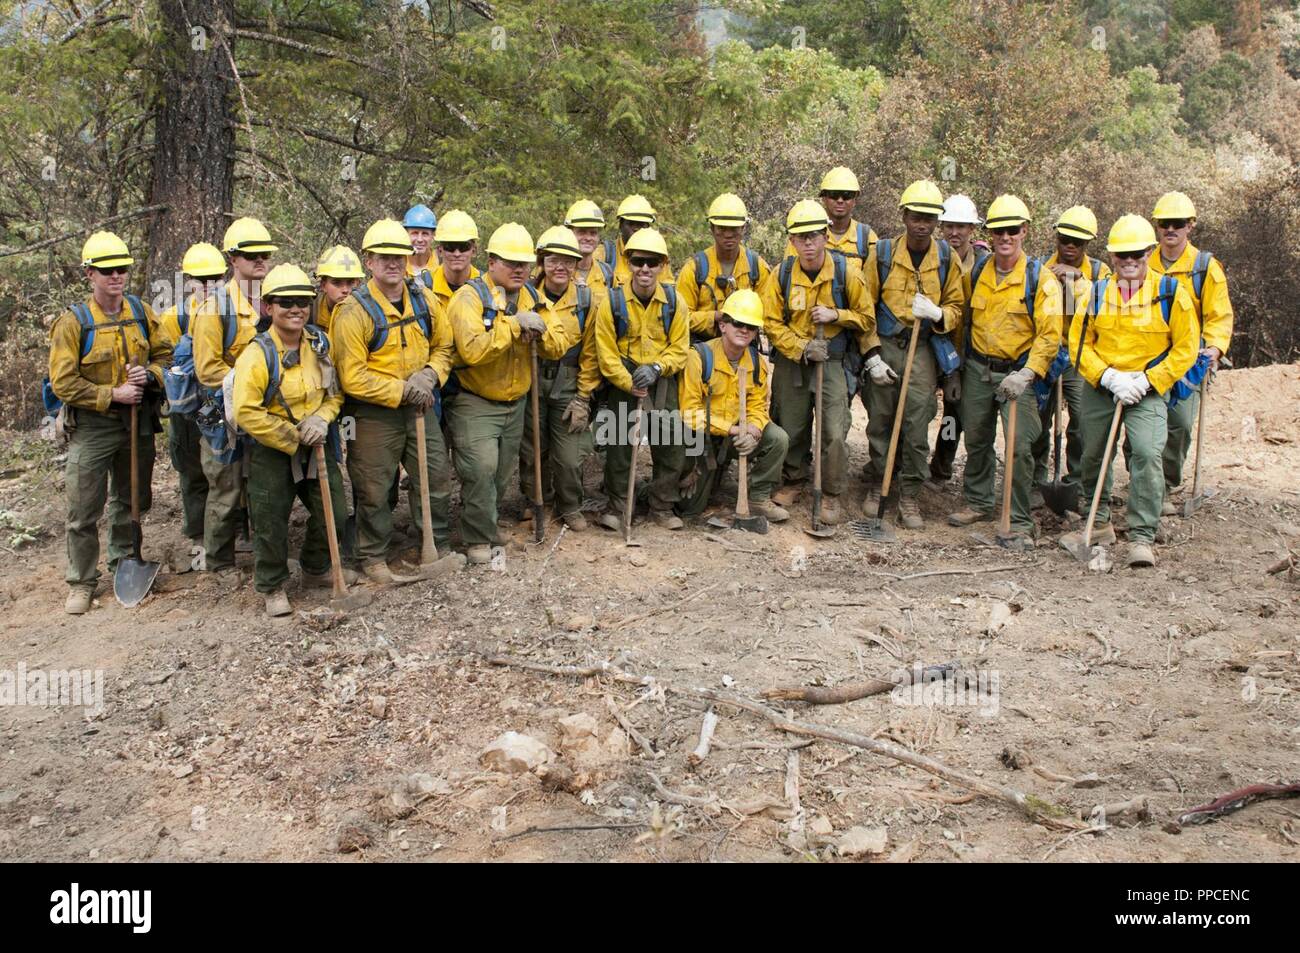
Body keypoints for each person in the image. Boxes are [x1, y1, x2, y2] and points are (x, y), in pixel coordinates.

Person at [1061, 214, 1198, 567]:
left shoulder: (1170, 293)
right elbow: (1078, 342)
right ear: (1112, 258)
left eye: (1137, 254)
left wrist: (1149, 380)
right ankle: (1099, 521)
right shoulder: (1097, 292)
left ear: (1149, 252)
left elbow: (1185, 348)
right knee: (1092, 454)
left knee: (1147, 454)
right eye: (1123, 256)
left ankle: (1141, 535)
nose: (1130, 262)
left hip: (1147, 389)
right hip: (1102, 385)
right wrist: (1106, 376)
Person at [331, 218, 462, 582]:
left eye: (399, 257)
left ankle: (433, 546)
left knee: (434, 477)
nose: (392, 263)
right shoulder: (352, 312)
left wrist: (431, 374)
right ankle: (372, 556)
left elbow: (445, 345)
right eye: (383, 257)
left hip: (421, 408)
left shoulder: (424, 300)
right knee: (374, 486)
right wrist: (402, 389)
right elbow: (352, 376)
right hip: (374, 415)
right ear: (369, 262)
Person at [49, 232, 170, 613]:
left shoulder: (140, 312)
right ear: (90, 274)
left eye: (122, 269)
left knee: (131, 499)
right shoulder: (74, 323)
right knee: (84, 507)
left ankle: (123, 564)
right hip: (93, 426)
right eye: (107, 271)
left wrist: (150, 375)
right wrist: (111, 395)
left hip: (138, 423)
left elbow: (169, 355)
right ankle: (82, 582)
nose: (116, 276)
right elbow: (63, 382)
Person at [447, 223, 573, 561]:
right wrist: (515, 324)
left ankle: (487, 527)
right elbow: (472, 350)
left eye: (525, 264)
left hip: (516, 402)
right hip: (475, 401)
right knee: (480, 469)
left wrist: (540, 331)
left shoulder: (533, 296)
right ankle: (476, 540)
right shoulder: (469, 298)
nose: (519, 270)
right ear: (491, 262)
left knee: (501, 472)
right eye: (510, 262)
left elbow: (559, 343)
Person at [232, 264, 350, 616]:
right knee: (270, 520)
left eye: (302, 301)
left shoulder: (319, 344)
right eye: (286, 302)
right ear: (269, 307)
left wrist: (322, 419)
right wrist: (292, 434)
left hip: (317, 442)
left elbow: (335, 393)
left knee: (337, 513)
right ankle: (271, 585)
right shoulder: (256, 355)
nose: (296, 308)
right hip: (273, 449)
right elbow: (246, 412)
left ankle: (315, 567)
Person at [947, 195, 1062, 550]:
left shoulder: (1040, 280)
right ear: (990, 234)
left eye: (1012, 230)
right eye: (998, 231)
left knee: (1018, 447)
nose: (1005, 237)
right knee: (976, 439)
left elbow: (1049, 335)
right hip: (978, 370)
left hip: (1018, 374)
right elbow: (963, 322)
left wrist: (1027, 374)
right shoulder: (978, 272)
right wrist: (953, 369)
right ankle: (979, 502)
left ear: (1024, 231)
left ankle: (1019, 518)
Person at [858, 180, 965, 529]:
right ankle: (879, 484)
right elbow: (865, 308)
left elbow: (957, 308)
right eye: (916, 216)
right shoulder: (884, 254)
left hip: (923, 349)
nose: (922, 224)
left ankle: (910, 494)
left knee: (918, 422)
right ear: (904, 215)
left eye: (929, 218)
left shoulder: (947, 258)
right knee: (881, 420)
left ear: (937, 221)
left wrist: (938, 314)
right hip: (888, 344)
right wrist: (871, 355)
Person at [761, 200, 872, 525]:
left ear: (825, 236)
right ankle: (794, 479)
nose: (808, 243)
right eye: (800, 237)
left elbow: (867, 319)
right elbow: (770, 322)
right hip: (793, 363)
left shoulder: (846, 273)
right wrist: (802, 347)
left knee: (834, 430)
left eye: (813, 236)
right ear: (792, 241)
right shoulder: (781, 274)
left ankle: (831, 491)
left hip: (833, 362)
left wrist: (837, 315)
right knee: (790, 425)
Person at [191, 216, 278, 583]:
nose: (260, 261)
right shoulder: (215, 309)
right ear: (233, 260)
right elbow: (207, 369)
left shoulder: (276, 301)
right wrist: (246, 382)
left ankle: (264, 554)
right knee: (225, 487)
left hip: (266, 412)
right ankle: (220, 562)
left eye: (264, 254)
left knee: (261, 484)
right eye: (250, 255)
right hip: (224, 417)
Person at [592, 227, 690, 530]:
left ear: (662, 264)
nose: (645, 268)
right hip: (625, 381)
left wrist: (659, 368)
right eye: (638, 261)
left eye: (652, 262)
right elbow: (605, 352)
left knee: (672, 440)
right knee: (620, 444)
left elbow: (680, 349)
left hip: (662, 384)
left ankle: (662, 505)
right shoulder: (612, 302)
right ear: (628, 263)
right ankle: (620, 506)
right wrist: (627, 382)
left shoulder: (676, 302)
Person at [1148, 191, 1233, 514]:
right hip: (1150, 355)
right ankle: (1149, 486)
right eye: (1165, 224)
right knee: (1144, 424)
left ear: (1191, 226)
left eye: (1178, 224)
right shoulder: (1144, 260)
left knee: (1180, 424)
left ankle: (1167, 483)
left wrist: (1214, 347)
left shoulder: (1204, 267)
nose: (1171, 230)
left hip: (1188, 360)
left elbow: (1219, 314)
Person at [677, 289, 789, 522]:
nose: (744, 330)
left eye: (750, 326)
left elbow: (759, 405)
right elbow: (689, 413)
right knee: (689, 508)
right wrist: (732, 429)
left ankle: (757, 497)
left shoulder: (758, 363)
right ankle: (661, 490)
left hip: (737, 436)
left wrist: (754, 430)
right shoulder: (698, 358)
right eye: (738, 323)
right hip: (704, 440)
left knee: (778, 438)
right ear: (723, 326)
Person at [518, 226, 597, 531]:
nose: (560, 267)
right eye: (553, 260)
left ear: (577, 264)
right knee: (532, 449)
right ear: (542, 263)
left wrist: (583, 398)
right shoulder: (525, 296)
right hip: (531, 380)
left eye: (568, 261)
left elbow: (592, 354)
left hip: (568, 382)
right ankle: (538, 500)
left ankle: (570, 505)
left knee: (569, 456)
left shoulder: (587, 301)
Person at [1031, 206, 1110, 507]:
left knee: (1082, 421)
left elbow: (1106, 307)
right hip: (1047, 354)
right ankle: (1037, 480)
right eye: (1065, 239)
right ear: (1057, 237)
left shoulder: (1100, 273)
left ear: (1088, 243)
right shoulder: (1038, 268)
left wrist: (1077, 281)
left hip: (1080, 358)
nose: (1071, 246)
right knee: (1038, 420)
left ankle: (1077, 481)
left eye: (1078, 241)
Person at [157, 241, 226, 545]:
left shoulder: (232, 315)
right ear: (188, 282)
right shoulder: (175, 317)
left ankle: (229, 532)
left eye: (216, 279)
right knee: (191, 469)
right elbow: (165, 361)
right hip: (186, 407)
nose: (209, 286)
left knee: (225, 468)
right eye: (202, 280)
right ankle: (197, 533)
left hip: (218, 404)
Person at [929, 194, 986, 483]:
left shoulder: (983, 264)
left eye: (961, 227)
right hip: (932, 345)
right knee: (920, 408)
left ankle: (942, 464)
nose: (955, 232)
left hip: (965, 349)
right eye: (949, 225)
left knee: (953, 413)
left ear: (971, 230)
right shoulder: (934, 258)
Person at [676, 193, 770, 342]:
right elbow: (680, 317)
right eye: (722, 228)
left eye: (734, 229)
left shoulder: (757, 268)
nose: (728, 234)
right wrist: (715, 317)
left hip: (743, 345)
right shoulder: (694, 269)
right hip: (703, 348)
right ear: (712, 229)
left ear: (743, 228)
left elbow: (769, 313)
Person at [784, 167, 877, 264]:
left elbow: (874, 277)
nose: (840, 200)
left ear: (855, 200)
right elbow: (790, 273)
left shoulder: (866, 237)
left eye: (847, 195)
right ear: (824, 198)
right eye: (834, 194)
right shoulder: (803, 233)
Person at [596, 195, 675, 285]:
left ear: (648, 227)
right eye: (631, 224)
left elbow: (667, 291)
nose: (636, 229)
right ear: (621, 225)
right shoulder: (605, 253)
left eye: (641, 224)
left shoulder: (658, 257)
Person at [564, 199, 615, 293]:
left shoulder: (606, 272)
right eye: (582, 232)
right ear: (569, 233)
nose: (588, 238)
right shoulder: (556, 271)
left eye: (593, 233)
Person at [311, 245, 364, 333]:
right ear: (323, 286)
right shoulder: (309, 312)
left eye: (350, 282)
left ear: (358, 283)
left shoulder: (368, 313)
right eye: (337, 283)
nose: (345, 290)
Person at [403, 204, 440, 287]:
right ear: (406, 234)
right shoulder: (397, 266)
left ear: (433, 235)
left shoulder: (442, 265)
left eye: (425, 234)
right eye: (415, 233)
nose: (420, 239)